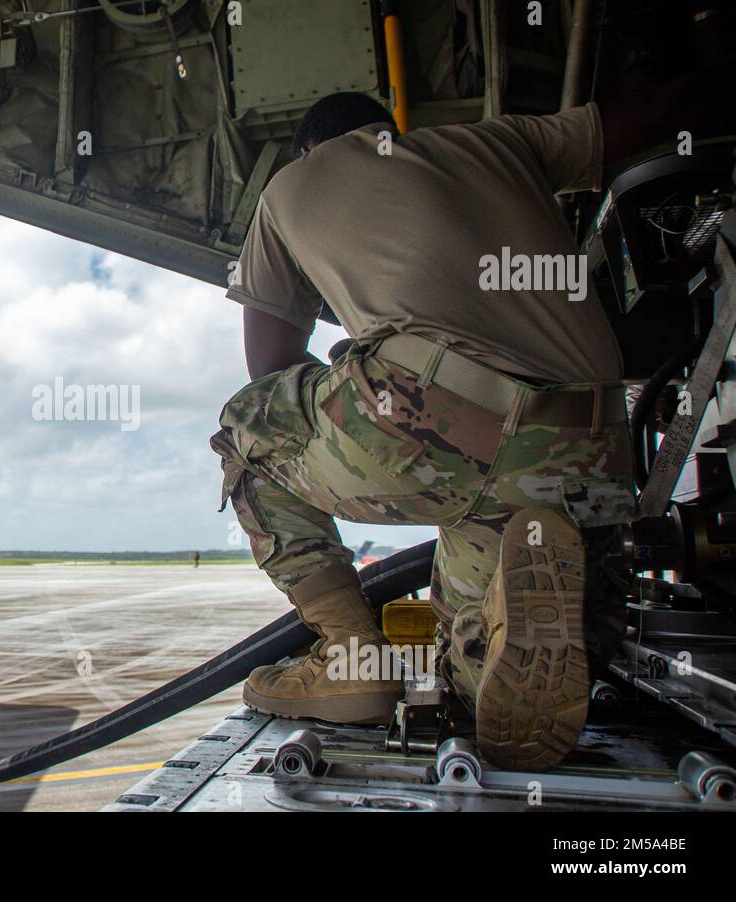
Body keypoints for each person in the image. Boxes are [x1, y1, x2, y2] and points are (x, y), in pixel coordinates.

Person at [210, 80, 733, 770]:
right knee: (478, 662)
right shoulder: (498, 140)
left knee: (244, 431)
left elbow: (270, 371)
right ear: (392, 129)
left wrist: (370, 392)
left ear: (313, 149)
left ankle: (351, 658)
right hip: (590, 449)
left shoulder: (292, 185)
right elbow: (654, 110)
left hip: (438, 420)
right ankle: (498, 647)